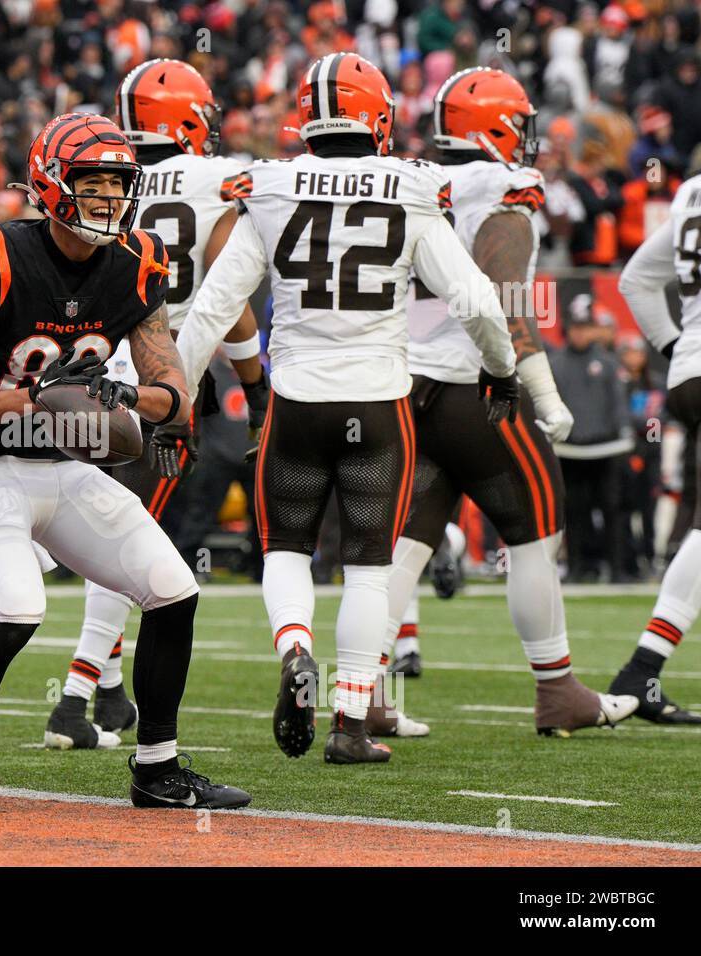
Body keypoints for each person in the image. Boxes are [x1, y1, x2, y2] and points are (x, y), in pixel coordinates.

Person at [0, 112, 251, 812]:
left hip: (67, 467)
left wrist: (126, 396)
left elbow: (173, 394)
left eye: (118, 183)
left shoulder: (137, 261)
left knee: (174, 588)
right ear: (53, 184)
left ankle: (157, 768)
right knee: (19, 609)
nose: (109, 198)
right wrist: (37, 401)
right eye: (92, 183)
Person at [177, 53, 518, 765]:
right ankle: (350, 723)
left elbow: (213, 307)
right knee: (367, 567)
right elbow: (478, 301)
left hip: (296, 401)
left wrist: (176, 396)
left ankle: (294, 648)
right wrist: (501, 370)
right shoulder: (413, 186)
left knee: (286, 550)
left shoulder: (270, 185)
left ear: (307, 115)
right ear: (380, 115)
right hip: (378, 400)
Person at [379, 68, 638, 738]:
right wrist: (544, 391)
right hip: (475, 385)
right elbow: (504, 299)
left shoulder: (415, 178)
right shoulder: (501, 187)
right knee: (536, 533)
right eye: (518, 125)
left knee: (408, 542)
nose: (525, 140)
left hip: (406, 383)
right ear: (492, 125)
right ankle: (558, 692)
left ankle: (361, 691)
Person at [45, 59, 271, 751]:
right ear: (185, 116)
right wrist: (256, 384)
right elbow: (226, 299)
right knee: (130, 535)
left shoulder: (97, 175)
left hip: (82, 367)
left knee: (103, 524)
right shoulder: (216, 180)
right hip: (158, 375)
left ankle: (107, 695)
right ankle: (75, 699)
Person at [606, 161, 701, 725]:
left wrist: (679, 349)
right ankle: (641, 668)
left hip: (689, 376)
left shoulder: (691, 190)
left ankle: (643, 670)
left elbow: (635, 280)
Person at [551, 302, 635, 581]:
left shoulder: (609, 363)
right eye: (576, 328)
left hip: (605, 448)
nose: (580, 334)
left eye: (585, 328)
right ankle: (577, 568)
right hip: (571, 449)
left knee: (612, 510)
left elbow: (618, 402)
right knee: (574, 512)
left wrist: (624, 429)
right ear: (568, 329)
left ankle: (617, 569)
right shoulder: (556, 363)